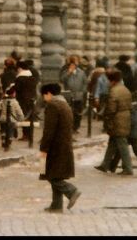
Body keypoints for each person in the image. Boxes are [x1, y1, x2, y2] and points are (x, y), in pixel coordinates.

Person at [39, 83, 81, 213]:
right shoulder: (64, 104)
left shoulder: (53, 106)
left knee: (51, 175)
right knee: (56, 174)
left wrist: (43, 147)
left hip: (54, 146)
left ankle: (71, 191)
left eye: (44, 95)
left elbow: (49, 130)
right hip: (63, 144)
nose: (43, 98)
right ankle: (56, 205)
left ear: (49, 93)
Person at [95, 69, 133, 175]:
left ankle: (128, 168)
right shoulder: (125, 89)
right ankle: (105, 165)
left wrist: (107, 120)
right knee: (112, 143)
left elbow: (111, 109)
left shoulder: (113, 91)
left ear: (112, 81)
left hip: (117, 120)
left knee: (122, 144)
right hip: (125, 118)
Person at [105, 99, 137, 175]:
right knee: (123, 150)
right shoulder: (132, 109)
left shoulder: (131, 110)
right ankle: (112, 167)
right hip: (132, 133)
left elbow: (130, 122)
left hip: (130, 134)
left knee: (126, 150)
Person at [59, 55, 87, 132]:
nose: (73, 66)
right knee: (69, 113)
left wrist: (82, 91)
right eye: (71, 64)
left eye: (74, 64)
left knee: (78, 113)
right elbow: (62, 80)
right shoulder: (65, 72)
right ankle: (70, 127)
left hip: (78, 95)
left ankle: (76, 127)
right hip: (69, 95)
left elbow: (85, 83)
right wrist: (69, 73)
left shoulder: (81, 72)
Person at [0, 84, 25, 149]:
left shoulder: (3, 101)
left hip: (3, 119)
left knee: (3, 131)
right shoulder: (15, 102)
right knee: (10, 132)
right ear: (13, 94)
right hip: (11, 120)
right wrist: (22, 118)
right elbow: (19, 111)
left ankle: (4, 140)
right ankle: (9, 143)